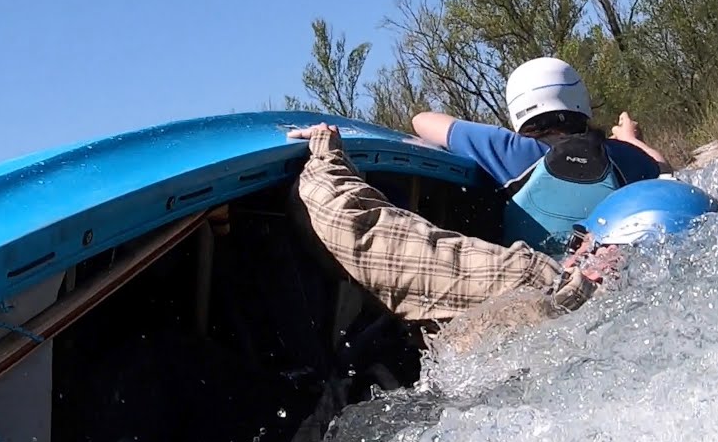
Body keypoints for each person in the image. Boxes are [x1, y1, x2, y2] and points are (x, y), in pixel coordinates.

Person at [285, 122, 627, 355]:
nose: (578, 241)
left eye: (589, 239)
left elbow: (358, 232)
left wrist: (326, 157)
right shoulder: (627, 311)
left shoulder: (532, 281)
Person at [409, 57, 673, 254]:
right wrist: (631, 139)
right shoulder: (621, 155)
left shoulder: (508, 150)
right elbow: (664, 173)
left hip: (549, 279)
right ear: (579, 100)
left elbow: (422, 121)